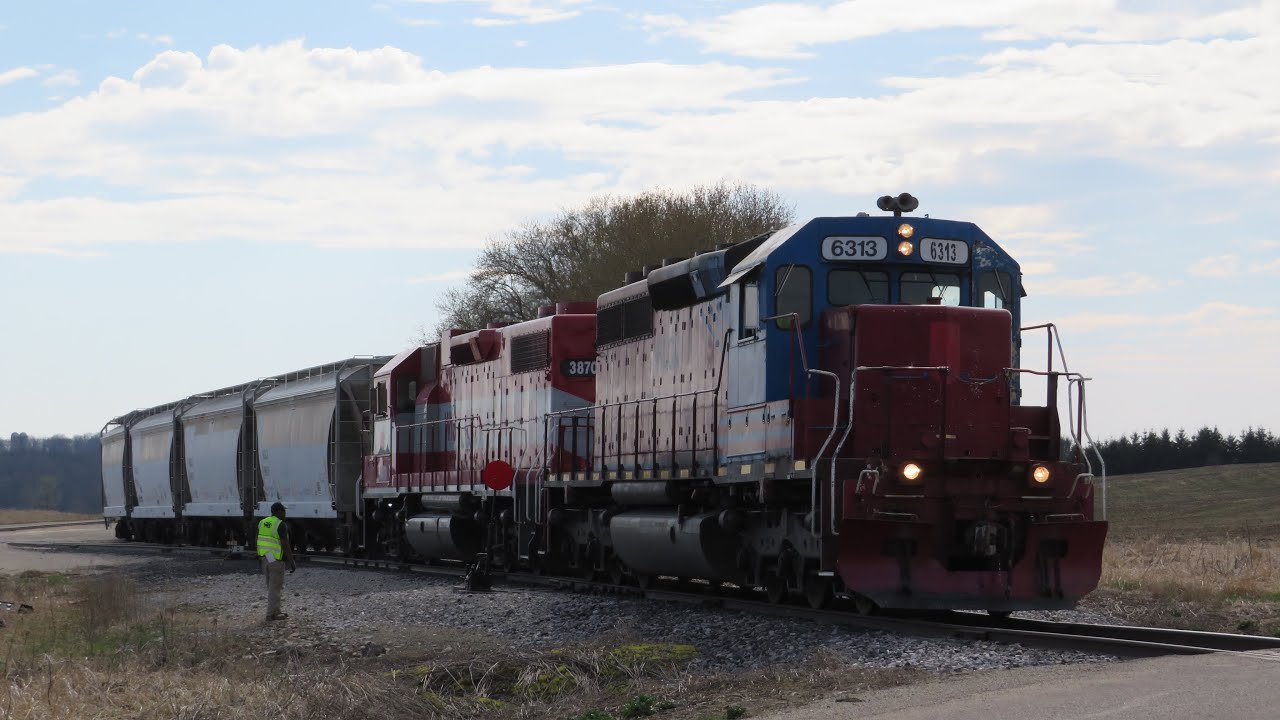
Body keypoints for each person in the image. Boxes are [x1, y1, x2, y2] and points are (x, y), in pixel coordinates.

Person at [256, 501, 297, 621]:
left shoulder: (262, 522)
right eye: (283, 511)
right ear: (278, 512)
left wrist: (259, 557)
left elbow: (258, 540)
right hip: (276, 560)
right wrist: (291, 560)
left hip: (265, 558)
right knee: (276, 586)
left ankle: (276, 610)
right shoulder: (280, 524)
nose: (285, 514)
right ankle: (271, 614)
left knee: (271, 586)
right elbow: (285, 544)